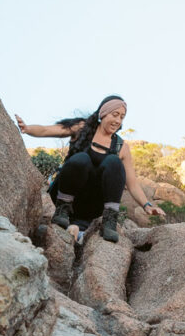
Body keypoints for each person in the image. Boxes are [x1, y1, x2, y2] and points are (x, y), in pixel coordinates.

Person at [15, 94, 165, 242]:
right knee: (82, 159)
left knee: (114, 161)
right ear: (103, 113)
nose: (118, 120)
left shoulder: (121, 146)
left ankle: (109, 222)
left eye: (122, 117)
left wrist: (147, 205)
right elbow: (46, 131)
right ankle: (62, 213)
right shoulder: (82, 128)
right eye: (115, 115)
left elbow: (132, 183)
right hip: (67, 195)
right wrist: (27, 128)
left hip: (93, 203)